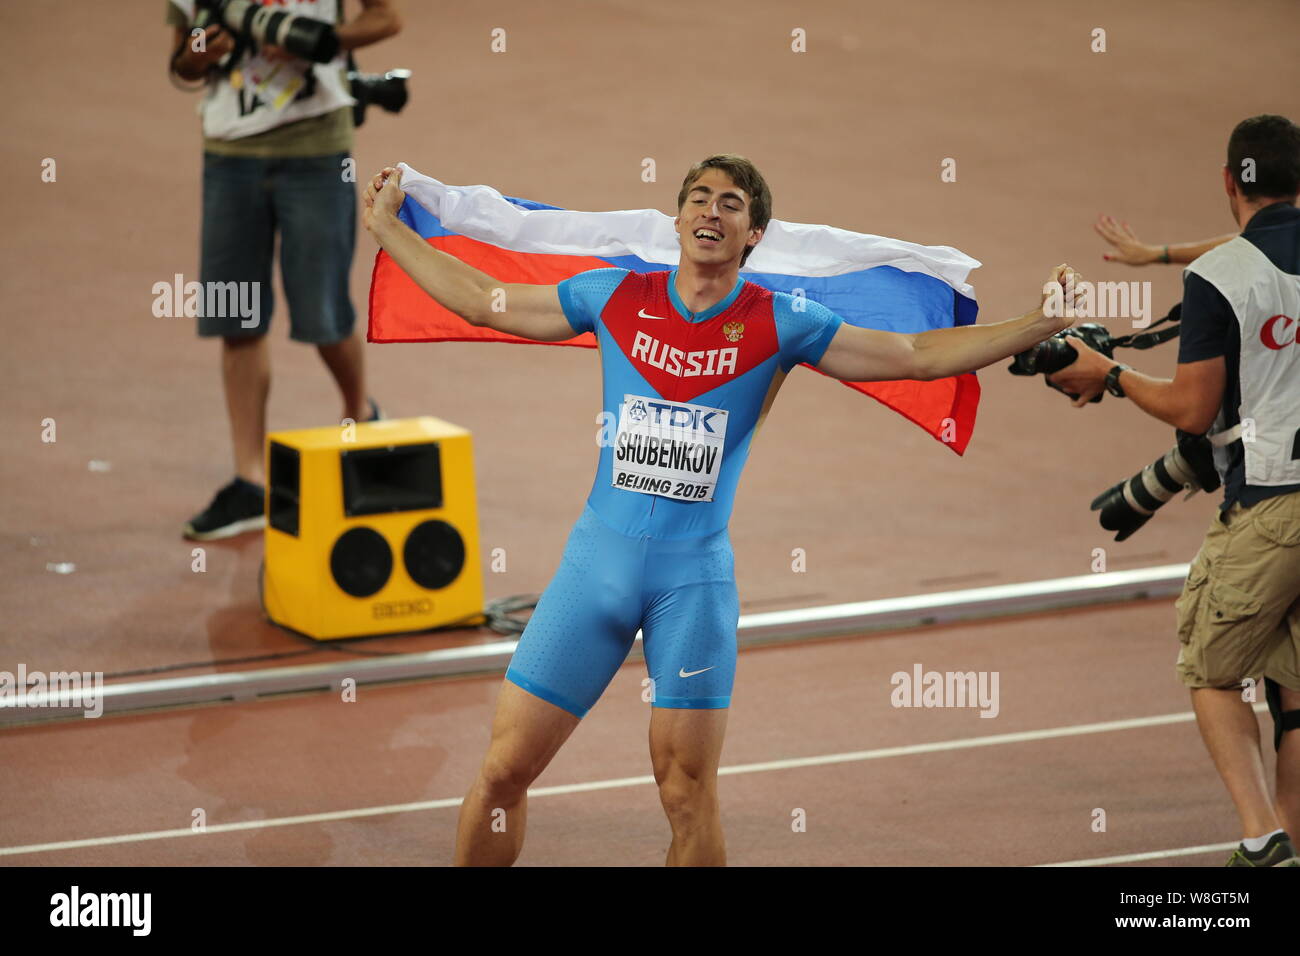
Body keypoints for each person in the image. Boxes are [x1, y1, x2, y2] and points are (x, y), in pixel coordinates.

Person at [364, 154, 1081, 867]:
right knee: (502, 772)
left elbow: (917, 355)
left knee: (686, 796)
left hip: (693, 585)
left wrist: (1037, 322)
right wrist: (389, 230)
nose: (712, 211)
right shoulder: (611, 296)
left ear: (754, 235)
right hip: (594, 570)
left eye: (731, 204)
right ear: (675, 221)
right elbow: (480, 298)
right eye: (699, 198)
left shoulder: (784, 323)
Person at [1049, 114, 1300, 866]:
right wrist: (1157, 254)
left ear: (1228, 181)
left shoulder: (1221, 277)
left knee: (1213, 670)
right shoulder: (1233, 264)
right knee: (1293, 685)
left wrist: (1110, 374)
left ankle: (1263, 842)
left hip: (1270, 507)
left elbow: (1193, 408)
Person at [166, 0, 402, 540]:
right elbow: (182, 62)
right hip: (229, 154)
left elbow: (386, 18)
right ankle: (249, 480)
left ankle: (359, 418)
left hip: (318, 150)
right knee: (236, 316)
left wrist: (320, 40)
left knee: (323, 311)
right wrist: (209, 48)